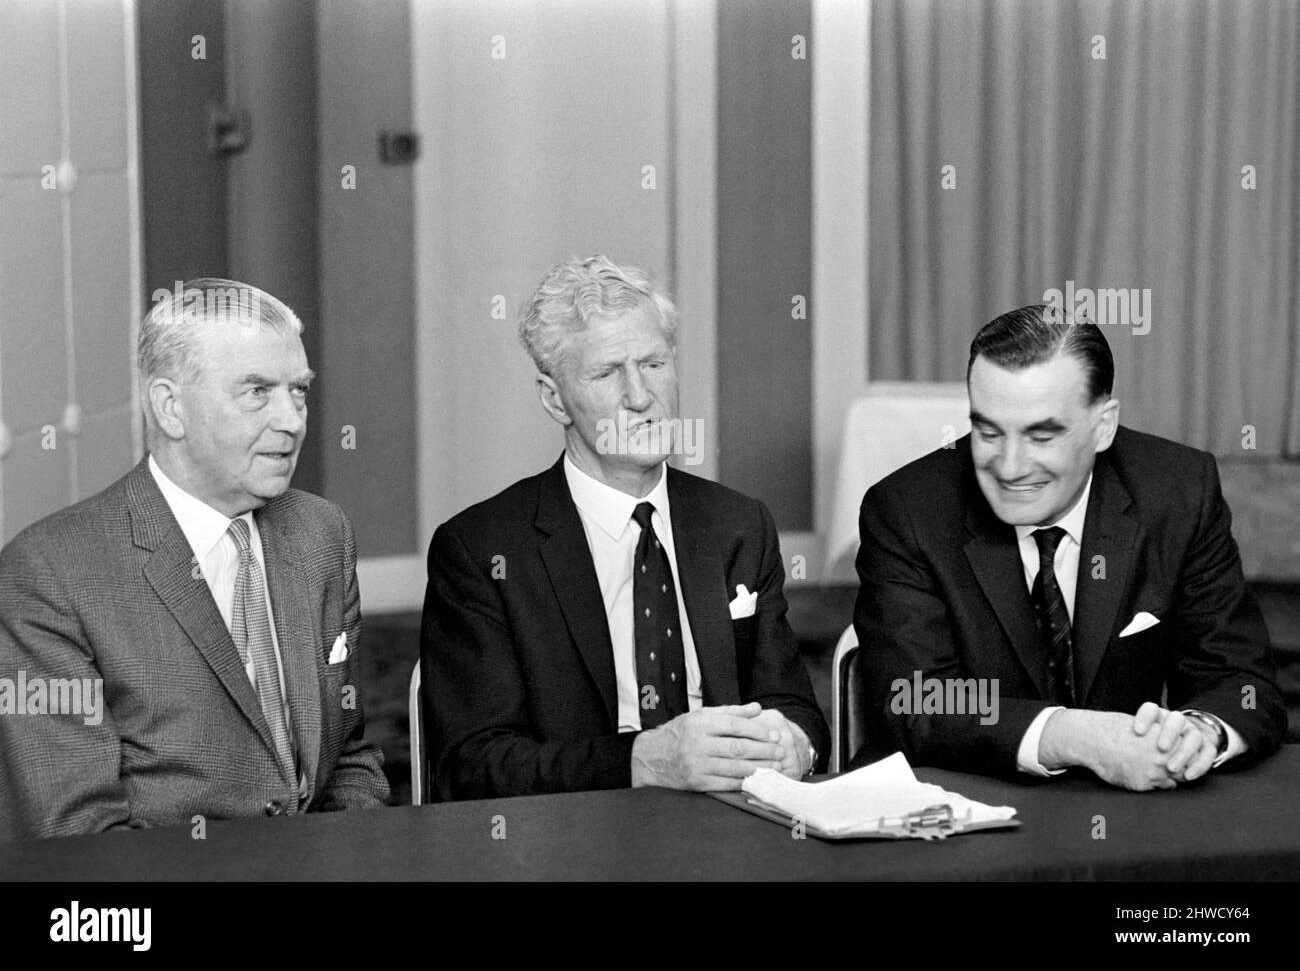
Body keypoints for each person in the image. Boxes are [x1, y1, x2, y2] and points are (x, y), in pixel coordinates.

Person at [422, 255, 828, 800]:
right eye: (607, 373)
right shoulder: (483, 550)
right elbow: (472, 766)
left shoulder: (738, 525)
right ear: (553, 398)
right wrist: (644, 762)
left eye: (654, 364)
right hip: (574, 846)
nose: (641, 397)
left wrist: (796, 744)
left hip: (733, 831)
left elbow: (794, 704)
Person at [0, 279, 389, 839]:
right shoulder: (49, 576)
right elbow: (77, 836)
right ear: (170, 408)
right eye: (257, 391)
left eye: (298, 391)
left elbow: (348, 758)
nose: (293, 420)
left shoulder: (320, 535)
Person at [851, 304, 1285, 790]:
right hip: (962, 810)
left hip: (1132, 815)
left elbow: (1240, 680)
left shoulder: (1179, 490)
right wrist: (1073, 735)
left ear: (1103, 427)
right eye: (988, 432)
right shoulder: (907, 510)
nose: (1010, 467)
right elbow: (919, 699)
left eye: (1042, 435)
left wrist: (1200, 733)